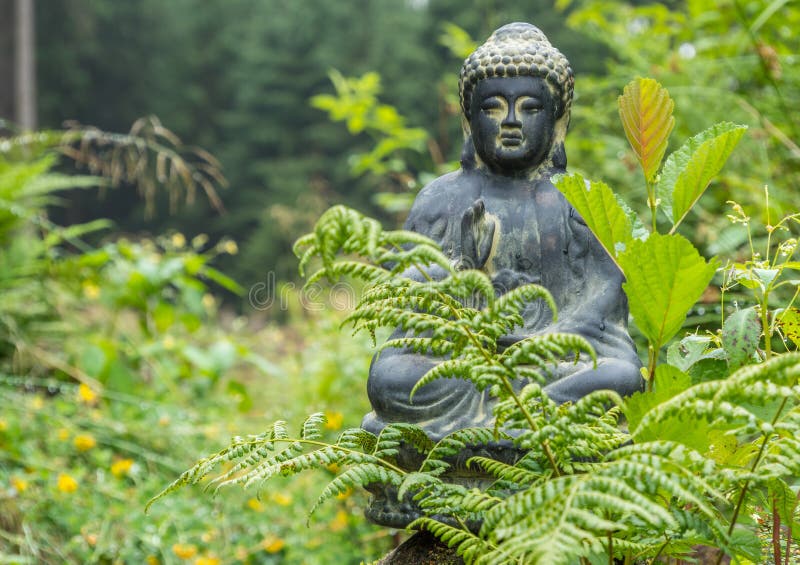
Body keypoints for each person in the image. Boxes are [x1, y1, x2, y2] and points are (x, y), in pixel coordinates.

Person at [361, 22, 643, 443]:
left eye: (530, 108)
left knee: (621, 377)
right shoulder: (439, 200)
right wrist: (462, 269)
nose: (510, 121)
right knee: (389, 380)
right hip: (462, 363)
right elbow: (404, 304)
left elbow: (604, 312)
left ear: (557, 119)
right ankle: (519, 419)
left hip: (550, 363)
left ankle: (508, 414)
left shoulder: (580, 200)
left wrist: (539, 344)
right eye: (492, 108)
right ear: (469, 119)